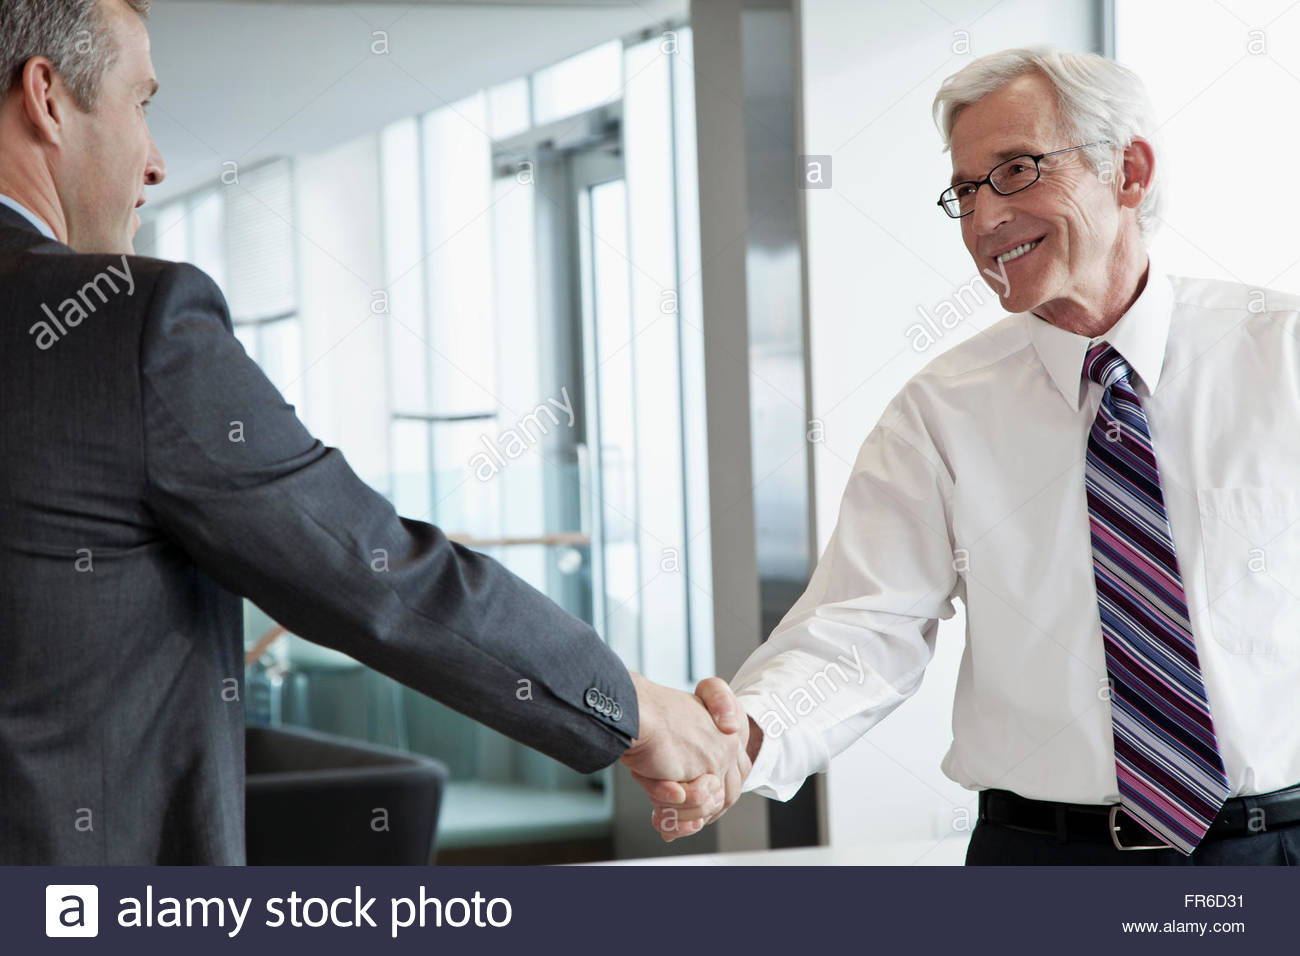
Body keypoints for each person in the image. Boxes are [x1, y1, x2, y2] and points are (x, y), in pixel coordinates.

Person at [0, 0, 744, 865]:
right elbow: (369, 569)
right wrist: (638, 711)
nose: (156, 161)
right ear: (48, 98)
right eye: (142, 102)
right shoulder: (127, 323)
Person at [659, 47, 1300, 865]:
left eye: (1017, 170)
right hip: (1041, 858)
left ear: (1129, 172)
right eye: (964, 190)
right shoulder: (940, 410)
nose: (984, 218)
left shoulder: (1281, 357)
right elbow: (864, 627)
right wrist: (744, 737)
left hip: (1269, 852)